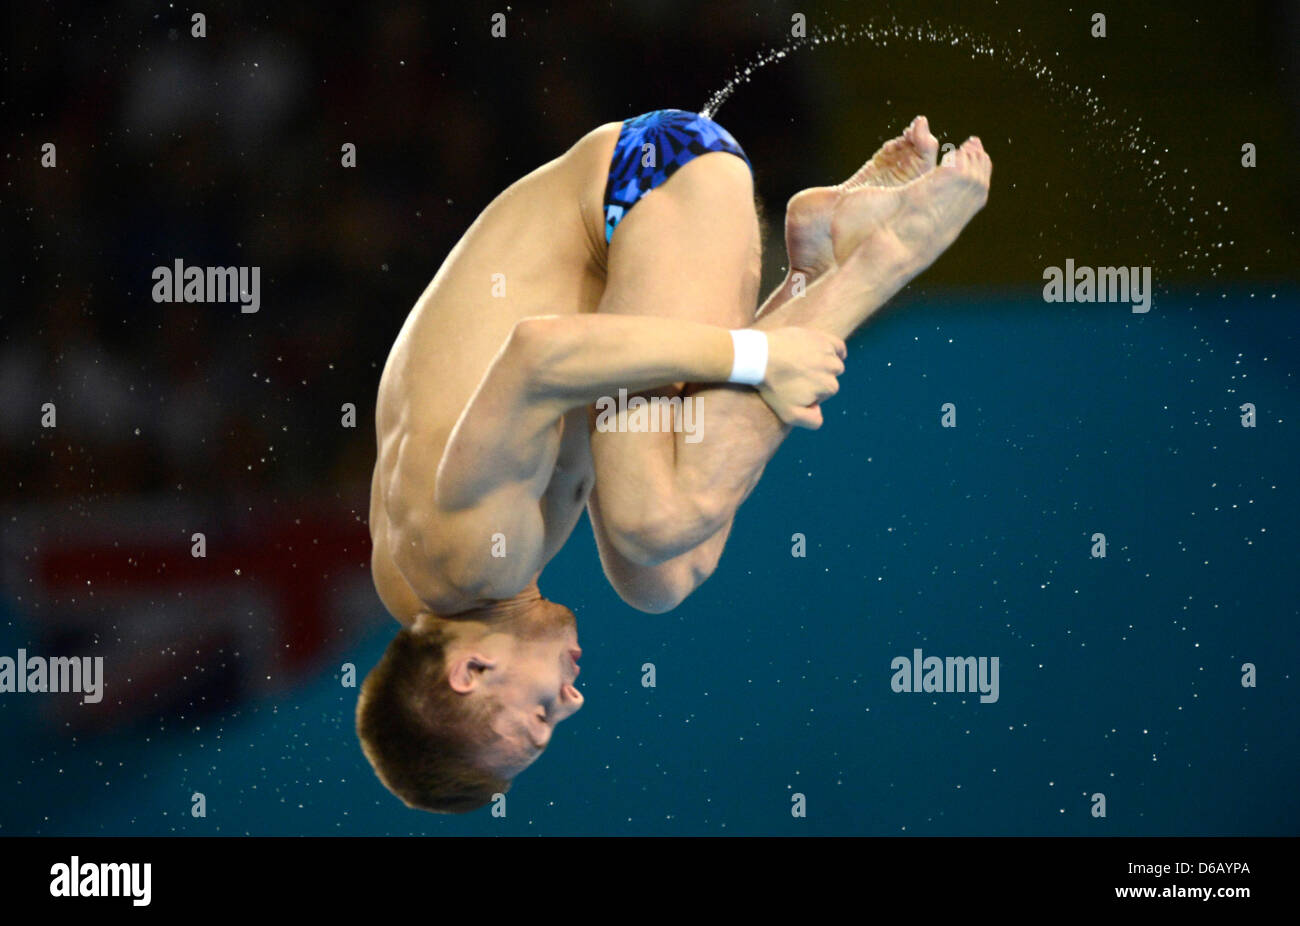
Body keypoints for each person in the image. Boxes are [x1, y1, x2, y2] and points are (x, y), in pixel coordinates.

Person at [357, 109, 991, 812]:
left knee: (653, 520)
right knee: (660, 576)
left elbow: (537, 354)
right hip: (642, 218)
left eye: (540, 718)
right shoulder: (429, 596)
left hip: (652, 180)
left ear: (470, 670)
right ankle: (821, 261)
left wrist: (759, 358)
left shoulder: (468, 556)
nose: (572, 699)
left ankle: (889, 256)